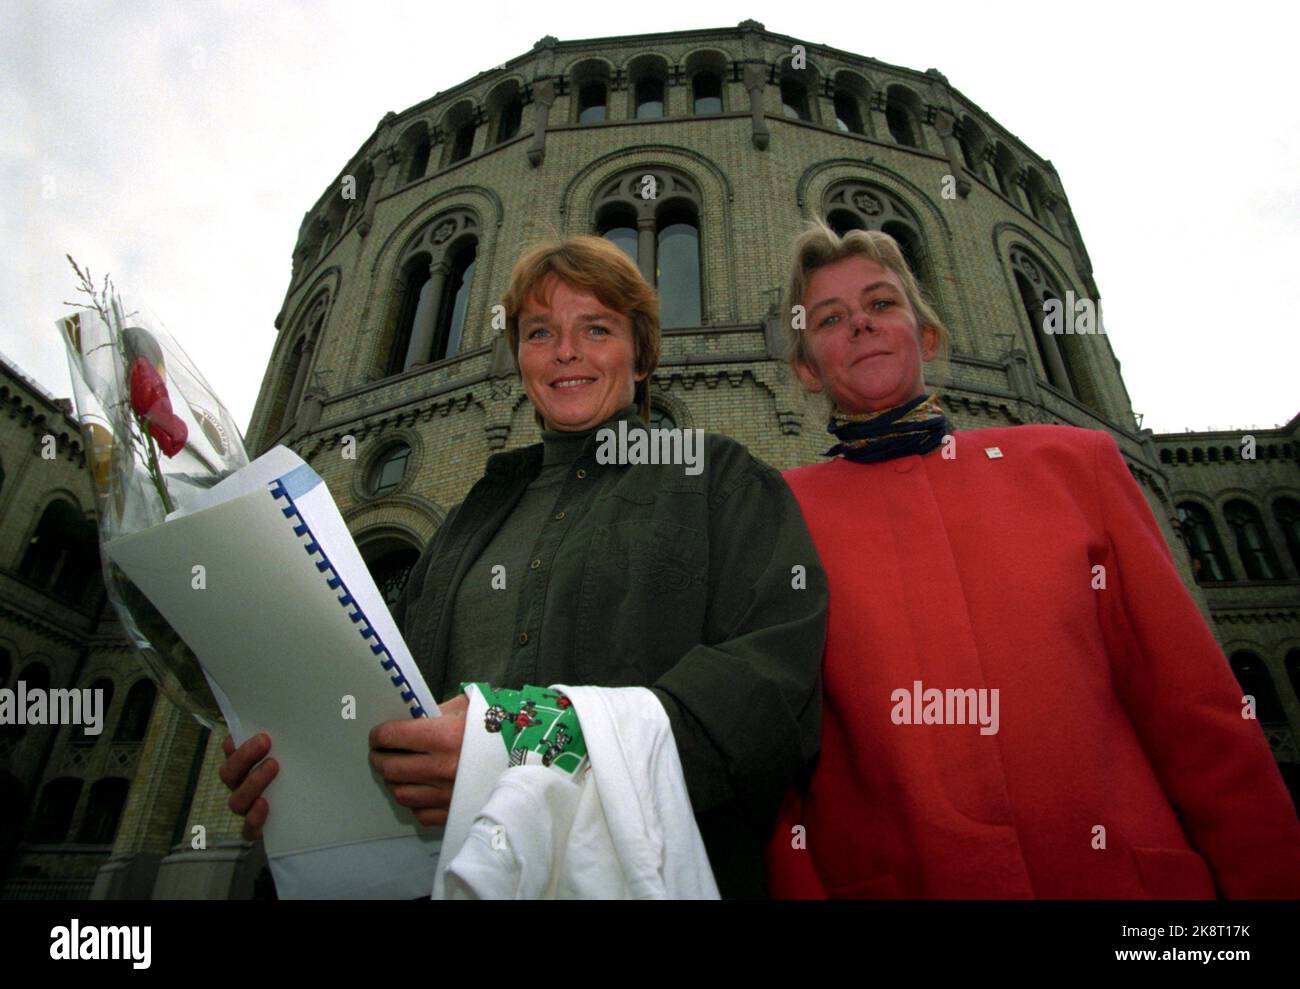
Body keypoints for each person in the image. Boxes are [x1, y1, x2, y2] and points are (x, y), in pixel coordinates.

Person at [220, 234, 828, 898]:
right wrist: (304, 767)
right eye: (540, 332)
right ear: (520, 359)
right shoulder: (466, 523)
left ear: (642, 354)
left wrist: (523, 738)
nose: (565, 351)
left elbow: (773, 690)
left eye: (595, 328)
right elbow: (390, 709)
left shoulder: (720, 480)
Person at [763, 218, 1300, 898]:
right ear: (807, 367)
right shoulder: (780, 516)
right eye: (831, 317)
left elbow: (1196, 710)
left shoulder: (1076, 467)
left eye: (881, 303)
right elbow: (777, 762)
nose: (861, 324)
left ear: (926, 335)